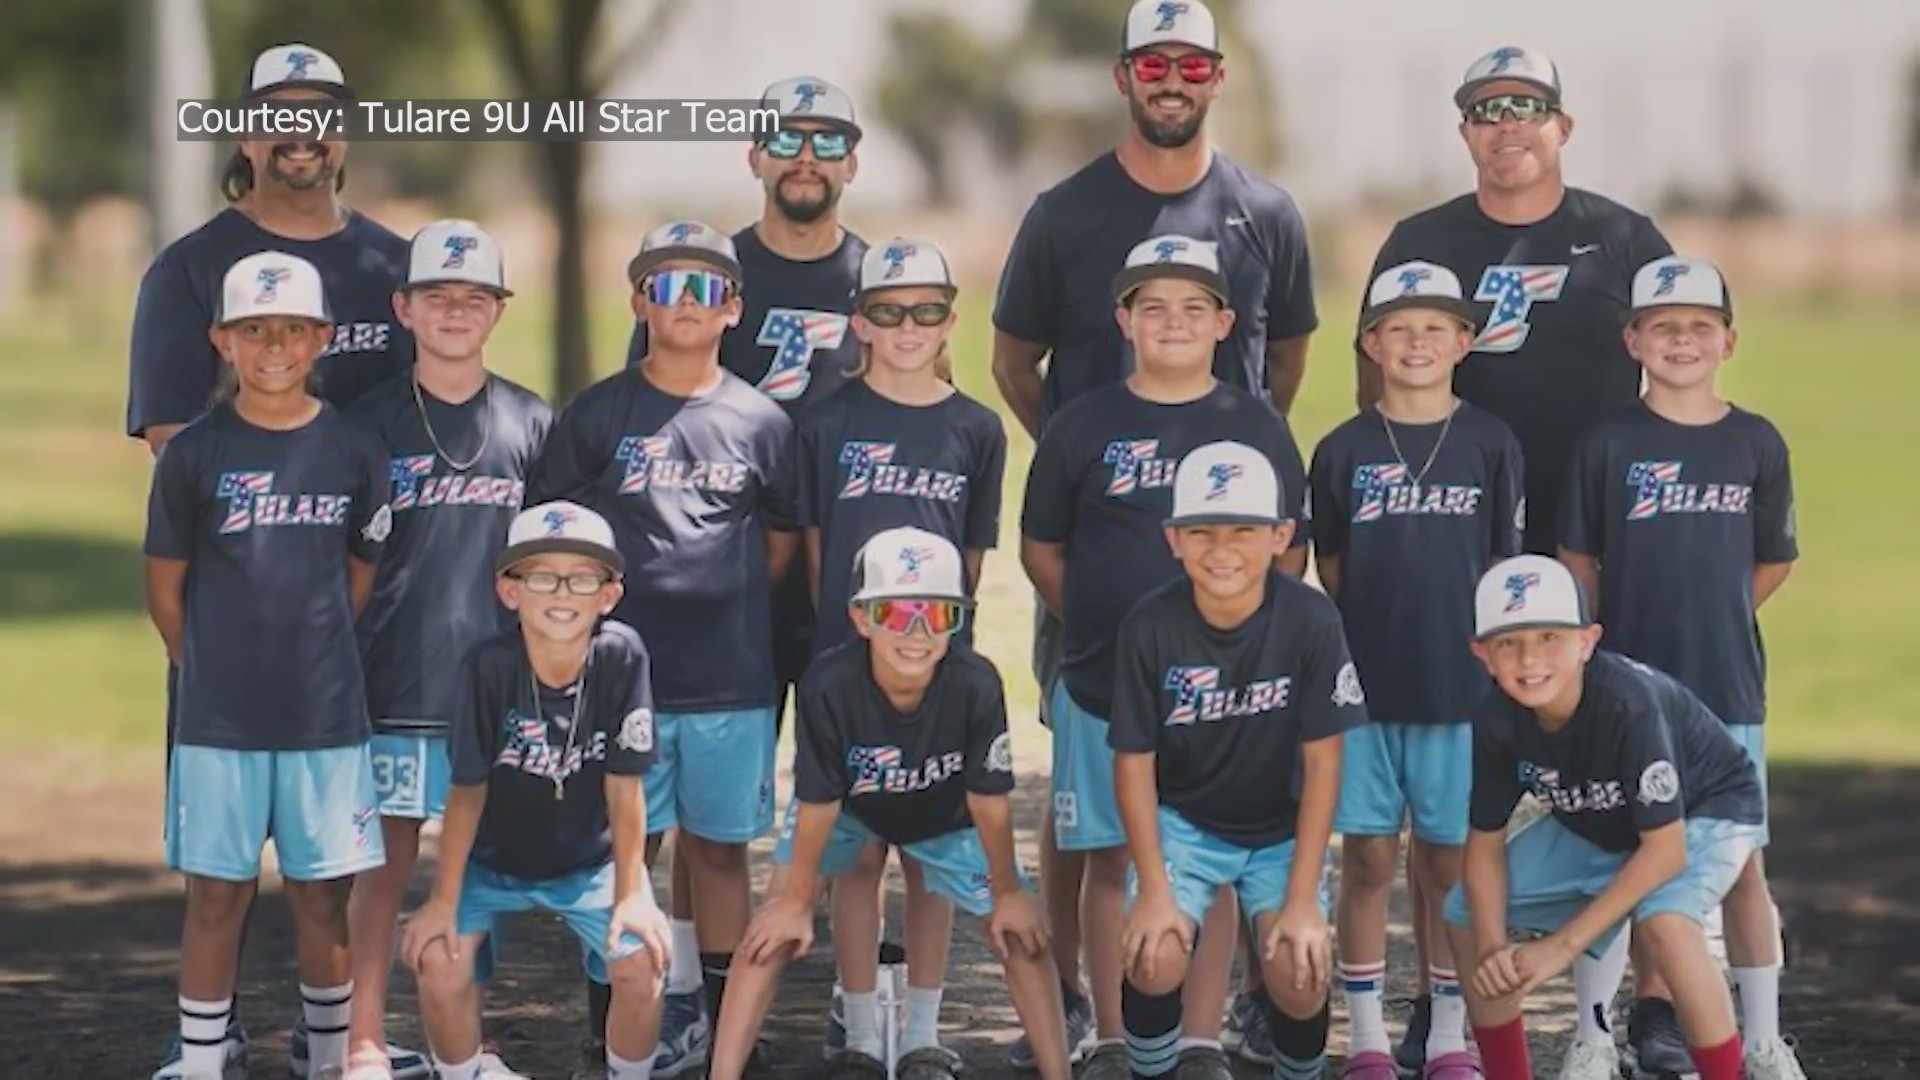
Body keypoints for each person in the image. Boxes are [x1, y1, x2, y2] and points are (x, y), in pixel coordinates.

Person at [993, 3, 1317, 1061]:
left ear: (1215, 76)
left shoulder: (1267, 211)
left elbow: (1286, 365)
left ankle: (1205, 1017)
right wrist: (1093, 481)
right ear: (1124, 76)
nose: (1170, 79)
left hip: (1227, 577)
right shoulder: (1065, 211)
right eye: (1151, 62)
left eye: (1189, 62)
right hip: (1098, 577)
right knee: (1088, 793)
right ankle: (1094, 1005)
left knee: (1213, 801)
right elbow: (1011, 360)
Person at [1354, 45, 1673, 1073]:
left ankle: (1647, 1008)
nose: (1508, 126)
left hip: (1589, 540)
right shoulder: (1423, 239)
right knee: (1446, 796)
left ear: (1561, 126)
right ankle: (1438, 995)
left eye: (1527, 108)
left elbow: (1670, 376)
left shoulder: (1622, 237)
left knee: (1619, 773)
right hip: (1457, 536)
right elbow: (1381, 405)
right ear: (1466, 131)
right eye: (1487, 110)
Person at [129, 46, 416, 1080]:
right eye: (277, 112)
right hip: (235, 629)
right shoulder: (189, 265)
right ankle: (207, 1039)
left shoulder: (393, 267)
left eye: (322, 111)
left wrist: (334, 604)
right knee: (220, 872)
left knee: (339, 864)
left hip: (356, 617)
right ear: (243, 132)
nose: (301, 130)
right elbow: (177, 450)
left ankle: (348, 1038)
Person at [1020, 237, 1309, 1080]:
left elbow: (1288, 555)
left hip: (1223, 693)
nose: (1173, 323)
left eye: (1193, 307)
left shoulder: (1254, 425)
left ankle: (1197, 1037)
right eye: (1153, 306)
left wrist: (1234, 643)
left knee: (1206, 858)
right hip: (1104, 681)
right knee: (1111, 856)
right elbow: (1043, 549)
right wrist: (1117, 632)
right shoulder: (1084, 423)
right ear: (1123, 319)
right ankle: (1117, 1033)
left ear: (1224, 322)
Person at [624, 77, 869, 1063]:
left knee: (858, 784)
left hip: (846, 566)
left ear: (852, 159)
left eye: (826, 140)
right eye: (785, 139)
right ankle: (687, 989)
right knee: (702, 798)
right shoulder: (710, 269)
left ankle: (860, 991)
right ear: (755, 156)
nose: (804, 157)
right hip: (729, 572)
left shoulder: (877, 278)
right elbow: (656, 410)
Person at [528, 221, 796, 1078]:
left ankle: (722, 1034)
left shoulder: (761, 420)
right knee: (622, 853)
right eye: (667, 286)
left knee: (719, 853)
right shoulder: (600, 412)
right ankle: (613, 1033)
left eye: (707, 287)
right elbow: (554, 540)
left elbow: (784, 543)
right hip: (618, 685)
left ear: (734, 309)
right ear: (639, 300)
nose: (687, 304)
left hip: (728, 680)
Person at [1557, 257, 1804, 1080]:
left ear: (1729, 340)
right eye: (1663, 327)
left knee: (1742, 868)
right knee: (1612, 858)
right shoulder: (1607, 442)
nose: (1682, 341)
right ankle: (1594, 1034)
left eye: (1700, 327)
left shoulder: (1755, 441)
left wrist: (1716, 619)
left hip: (1726, 686)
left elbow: (1772, 562)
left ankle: (1763, 1037)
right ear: (1634, 339)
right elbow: (1577, 558)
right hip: (1626, 693)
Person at [711, 528, 1072, 1080]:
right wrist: (795, 899)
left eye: (939, 615)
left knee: (1023, 931)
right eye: (898, 615)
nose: (919, 633)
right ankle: (730, 1070)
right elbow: (818, 805)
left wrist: (1007, 892)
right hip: (850, 812)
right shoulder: (828, 685)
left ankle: (1049, 1069)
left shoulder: (975, 684)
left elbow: (990, 800)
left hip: (947, 814)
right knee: (769, 931)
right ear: (861, 619)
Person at [788, 239, 1007, 1065]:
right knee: (857, 852)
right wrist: (844, 654)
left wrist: (938, 647)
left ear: (950, 320)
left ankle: (919, 1030)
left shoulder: (975, 427)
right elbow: (817, 554)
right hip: (847, 665)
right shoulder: (827, 421)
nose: (907, 326)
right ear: (861, 324)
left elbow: (973, 560)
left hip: (936, 668)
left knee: (928, 855)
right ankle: (859, 1024)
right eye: (887, 311)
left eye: (925, 311)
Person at [342, 222, 553, 1080]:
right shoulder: (364, 424)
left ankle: (466, 1037)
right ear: (404, 308)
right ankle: (360, 1035)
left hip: (492, 689)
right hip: (390, 676)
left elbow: (550, 565)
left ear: (498, 311)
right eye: (438, 297)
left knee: (475, 875)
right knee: (383, 867)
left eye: (474, 299)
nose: (455, 313)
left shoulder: (530, 420)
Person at [1310, 263, 1523, 1080]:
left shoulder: (1491, 443)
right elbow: (1331, 564)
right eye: (1398, 329)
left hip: (1459, 691)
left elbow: (1503, 563)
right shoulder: (1343, 449)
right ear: (1371, 343)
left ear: (1464, 342)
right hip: (1364, 692)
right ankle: (1364, 1036)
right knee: (1365, 860)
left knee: (1445, 865)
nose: (1417, 343)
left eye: (1435, 328)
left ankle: (1444, 1035)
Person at [1442, 555, 1767, 1080]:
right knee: (1464, 911)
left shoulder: (1627, 704)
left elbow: (1666, 850)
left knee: (1666, 922)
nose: (1529, 660)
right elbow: (1484, 843)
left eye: (1550, 636)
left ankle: (1729, 1073)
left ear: (1588, 641)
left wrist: (1559, 947)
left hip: (1705, 808)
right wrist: (1492, 949)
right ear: (1482, 654)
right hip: (1601, 813)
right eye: (1509, 643)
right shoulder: (1497, 719)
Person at [1110, 441, 1363, 1080]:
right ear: (1173, 539)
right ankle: (1151, 1069)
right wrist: (1154, 892)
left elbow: (1325, 765)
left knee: (1299, 968)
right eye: (1202, 531)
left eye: (1243, 531)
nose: (1221, 549)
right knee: (1155, 951)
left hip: (1279, 832)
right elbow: (1134, 764)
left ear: (1280, 535)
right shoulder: (1149, 625)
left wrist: (1304, 898)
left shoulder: (1310, 619)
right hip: (1186, 823)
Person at [400, 502, 668, 1080]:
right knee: (437, 959)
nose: (562, 592)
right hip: (492, 862)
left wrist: (632, 892)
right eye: (541, 575)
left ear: (609, 594)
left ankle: (629, 1072)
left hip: (589, 861)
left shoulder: (621, 656)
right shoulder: (487, 667)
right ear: (509, 591)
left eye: (582, 577)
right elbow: (466, 791)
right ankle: (468, 1071)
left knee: (642, 958)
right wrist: (442, 900)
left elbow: (626, 788)